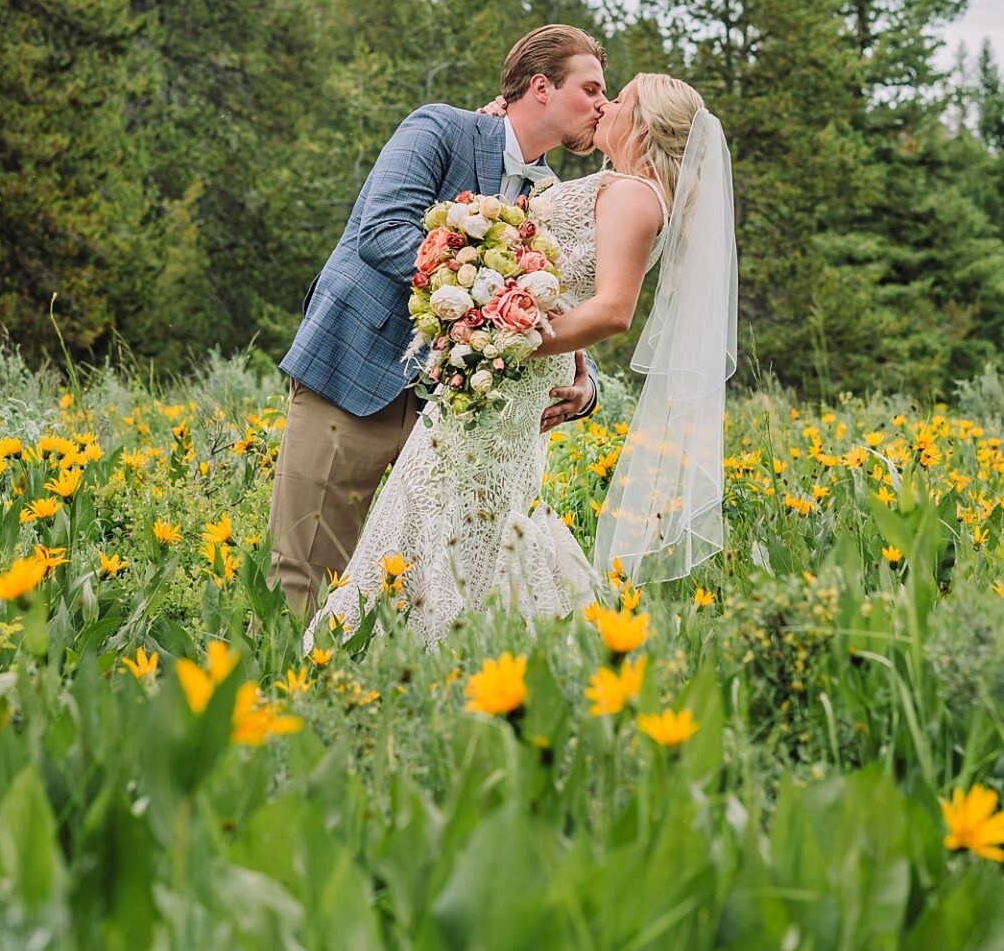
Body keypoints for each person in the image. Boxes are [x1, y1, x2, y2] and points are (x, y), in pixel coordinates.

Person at [307, 71, 737, 652]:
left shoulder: (634, 196)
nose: (606, 104)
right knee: (445, 517)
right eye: (598, 91)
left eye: (620, 99)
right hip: (497, 379)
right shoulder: (616, 186)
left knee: (459, 520)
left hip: (506, 377)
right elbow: (555, 280)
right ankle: (448, 652)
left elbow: (611, 310)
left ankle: (446, 655)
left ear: (643, 125)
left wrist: (498, 337)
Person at [268, 25, 609, 617]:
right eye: (592, 88)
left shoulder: (555, 192)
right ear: (541, 87)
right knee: (308, 572)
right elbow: (383, 233)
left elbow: (556, 298)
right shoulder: (440, 129)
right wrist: (492, 301)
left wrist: (585, 382)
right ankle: (280, 698)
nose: (605, 105)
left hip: (453, 415)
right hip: (353, 373)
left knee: (446, 583)